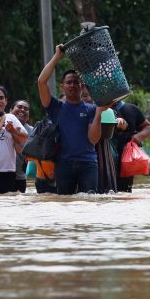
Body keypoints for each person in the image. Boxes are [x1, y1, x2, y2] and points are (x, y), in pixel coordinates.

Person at [37, 45, 108, 195]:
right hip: (63, 163)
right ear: (62, 86)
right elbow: (41, 82)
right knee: (65, 204)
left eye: (76, 82)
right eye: (69, 82)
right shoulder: (55, 107)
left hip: (88, 163)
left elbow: (93, 139)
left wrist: (99, 113)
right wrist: (57, 57)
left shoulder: (91, 109)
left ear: (82, 87)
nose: (72, 85)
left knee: (89, 201)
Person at [112, 98, 150, 193]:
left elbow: (147, 127)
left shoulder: (131, 109)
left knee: (124, 193)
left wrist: (139, 136)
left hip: (126, 162)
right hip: (103, 162)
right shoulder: (96, 109)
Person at [11, 99, 35, 193]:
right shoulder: (1, 126)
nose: (22, 110)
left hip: (20, 177)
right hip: (0, 174)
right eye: (19, 107)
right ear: (10, 111)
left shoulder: (33, 132)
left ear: (28, 115)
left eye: (26, 109)